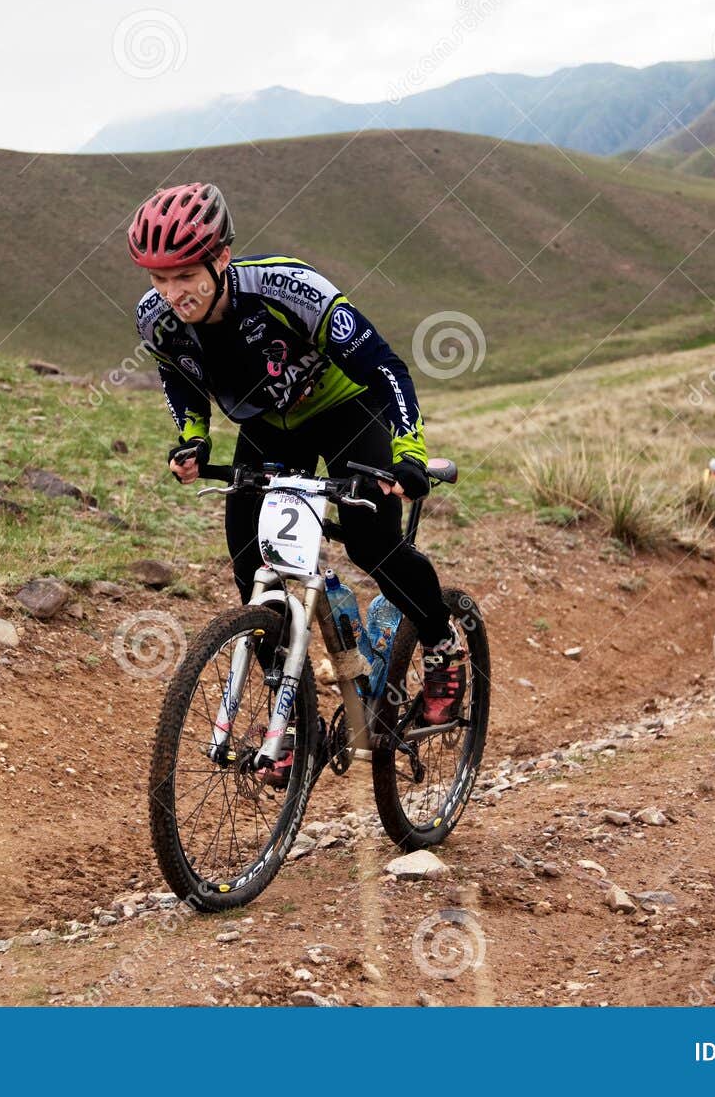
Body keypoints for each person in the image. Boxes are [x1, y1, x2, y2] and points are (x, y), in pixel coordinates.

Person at [127, 182, 467, 743]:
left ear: (220, 258)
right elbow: (178, 372)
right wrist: (192, 436)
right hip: (266, 428)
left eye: (185, 275)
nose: (172, 293)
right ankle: (289, 713)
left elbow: (387, 370)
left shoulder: (290, 289)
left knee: (369, 540)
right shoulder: (156, 320)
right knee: (249, 557)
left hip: (343, 409)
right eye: (159, 278)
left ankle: (441, 645)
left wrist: (408, 455)